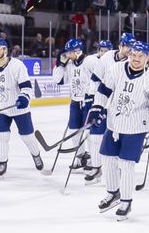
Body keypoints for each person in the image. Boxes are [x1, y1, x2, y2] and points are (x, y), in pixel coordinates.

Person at [90, 39, 149, 219]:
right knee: (108, 160)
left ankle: (126, 201)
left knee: (126, 165)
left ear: (148, 58)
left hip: (135, 127)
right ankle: (112, 192)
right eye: (133, 55)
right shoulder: (116, 69)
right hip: (114, 124)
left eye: (141, 56)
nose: (136, 59)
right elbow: (103, 92)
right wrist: (97, 107)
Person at [0, 38, 44, 176]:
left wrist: (23, 97)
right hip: (2, 109)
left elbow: (26, 87)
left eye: (0, 48)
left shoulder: (17, 66)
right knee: (1, 136)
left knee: (27, 137)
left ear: (6, 50)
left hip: (20, 109)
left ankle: (36, 155)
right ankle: (2, 164)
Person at [84, 37, 131, 184]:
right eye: (127, 47)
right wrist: (92, 98)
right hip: (102, 101)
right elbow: (95, 79)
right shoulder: (107, 58)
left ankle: (119, 167)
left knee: (118, 137)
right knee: (95, 136)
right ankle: (97, 167)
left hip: (120, 105)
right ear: (121, 45)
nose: (130, 50)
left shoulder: (133, 62)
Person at [50, 38, 90, 175]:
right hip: (75, 101)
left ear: (78, 51)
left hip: (88, 101)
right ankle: (80, 157)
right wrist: (60, 64)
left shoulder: (89, 62)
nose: (68, 55)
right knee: (74, 130)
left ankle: (93, 159)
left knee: (90, 132)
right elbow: (58, 80)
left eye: (70, 53)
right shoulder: (69, 65)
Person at [79, 39, 115, 176]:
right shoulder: (92, 61)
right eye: (101, 50)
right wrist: (88, 95)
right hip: (98, 103)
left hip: (112, 106)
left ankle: (116, 166)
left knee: (113, 137)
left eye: (106, 51)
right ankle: (96, 166)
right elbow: (91, 81)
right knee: (94, 136)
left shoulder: (119, 63)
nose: (103, 53)